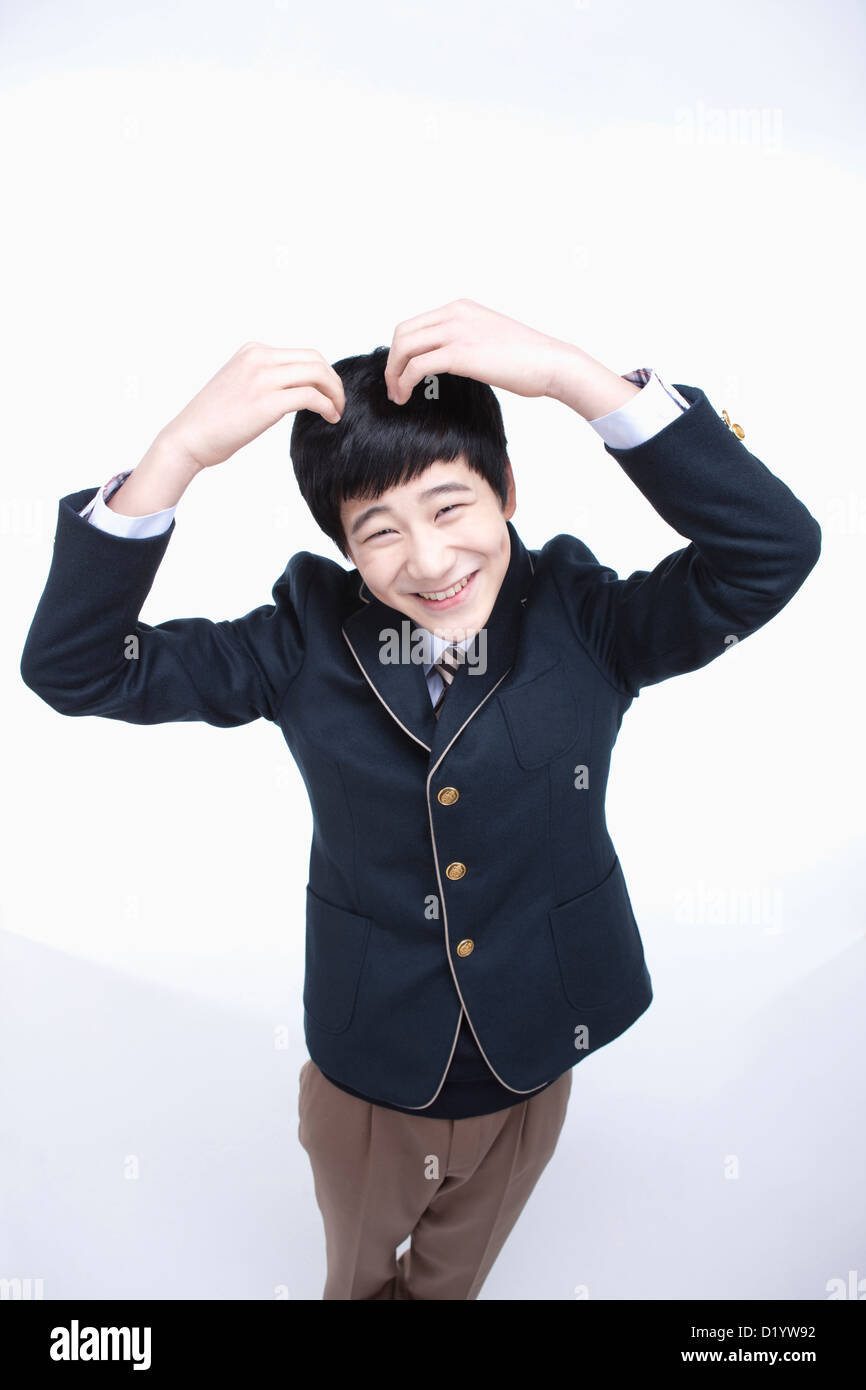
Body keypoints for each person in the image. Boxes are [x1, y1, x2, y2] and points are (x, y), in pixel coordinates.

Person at [20, 298, 821, 1299]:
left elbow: (771, 551)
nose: (430, 561)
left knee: (451, 1286)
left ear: (506, 492)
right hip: (372, 1071)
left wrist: (575, 378)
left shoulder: (587, 618)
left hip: (536, 1050)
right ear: (346, 550)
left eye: (449, 507)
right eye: (379, 532)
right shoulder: (300, 640)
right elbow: (76, 668)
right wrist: (176, 452)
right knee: (356, 1283)